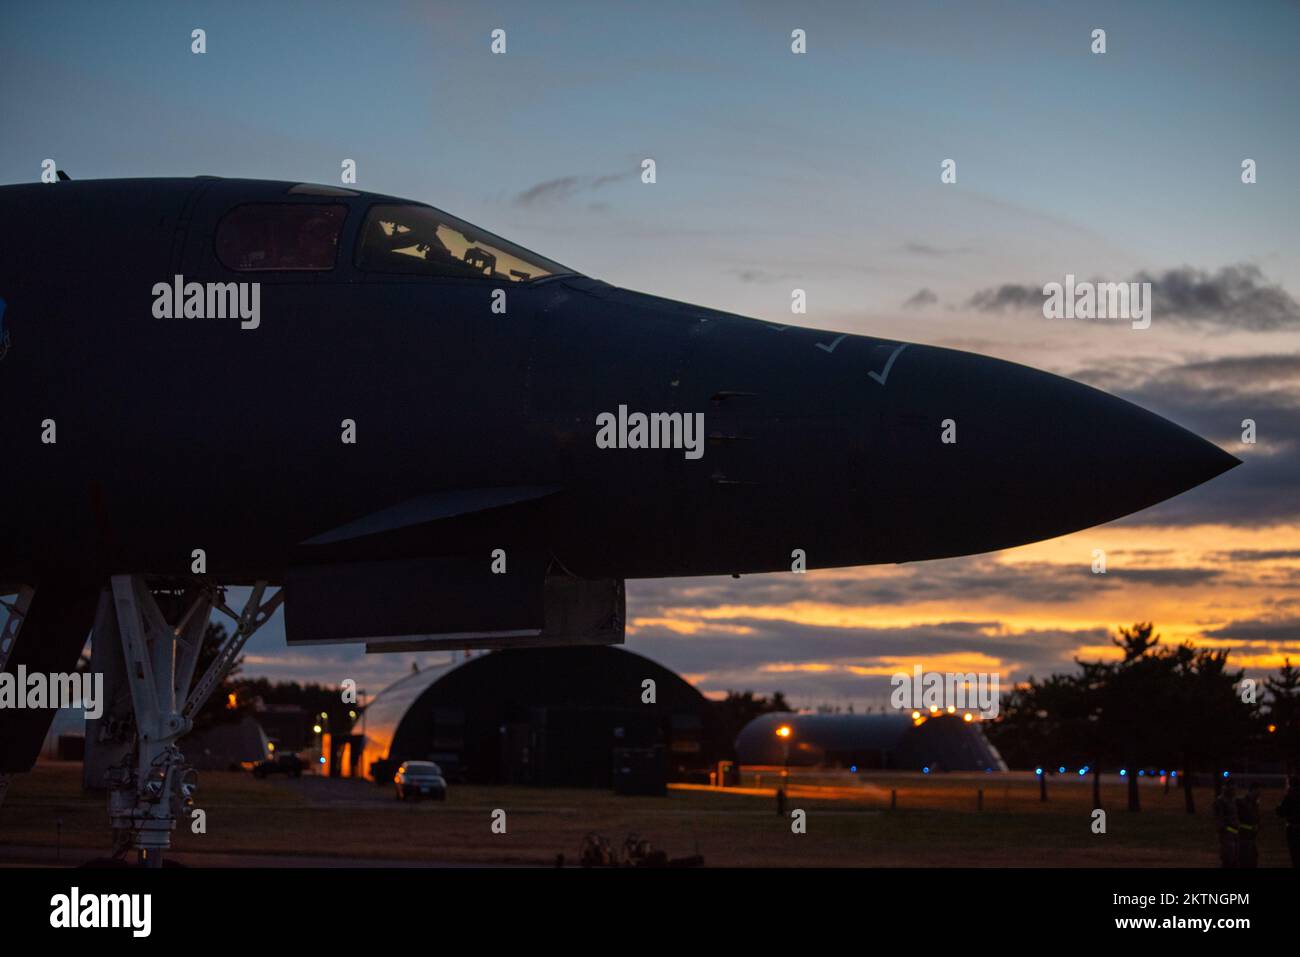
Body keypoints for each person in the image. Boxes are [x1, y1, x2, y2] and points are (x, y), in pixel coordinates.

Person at [1213, 779, 1239, 868]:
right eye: (1232, 789)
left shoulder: (1233, 800)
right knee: (1228, 859)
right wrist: (1224, 829)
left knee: (1235, 860)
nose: (1234, 791)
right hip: (1227, 834)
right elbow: (1219, 819)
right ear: (1227, 788)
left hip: (1235, 834)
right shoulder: (1221, 801)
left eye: (1235, 789)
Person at [1236, 783, 1262, 868]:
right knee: (1245, 858)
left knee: (1253, 857)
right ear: (1252, 790)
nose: (1258, 795)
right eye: (1257, 792)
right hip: (1244, 835)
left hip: (1251, 836)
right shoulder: (1241, 802)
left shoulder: (1254, 803)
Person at [1277, 775, 1300, 868]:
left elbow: (1282, 812)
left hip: (1294, 829)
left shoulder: (1290, 795)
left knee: (1295, 855)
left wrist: (1278, 807)